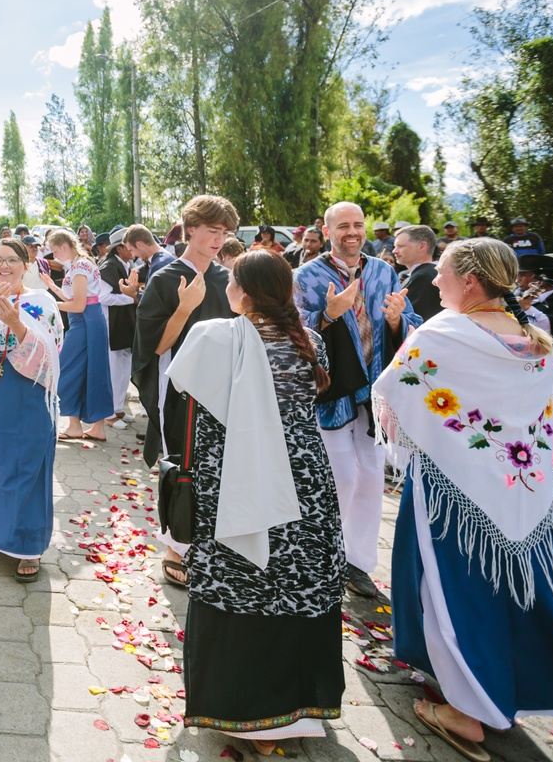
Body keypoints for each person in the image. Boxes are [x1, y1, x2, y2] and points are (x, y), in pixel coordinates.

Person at [372, 238, 553, 759]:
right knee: (503, 596)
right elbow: (526, 417)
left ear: (471, 282)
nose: (434, 281)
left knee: (454, 592)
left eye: (443, 273)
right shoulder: (534, 336)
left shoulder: (445, 332)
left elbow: (395, 389)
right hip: (528, 491)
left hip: (453, 490)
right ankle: (493, 689)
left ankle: (467, 711)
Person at [171, 250, 343, 754]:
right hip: (303, 482)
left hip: (235, 479)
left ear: (242, 291)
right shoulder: (308, 341)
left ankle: (244, 710)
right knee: (297, 577)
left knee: (239, 577)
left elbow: (182, 384)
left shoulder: (216, 337)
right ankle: (296, 709)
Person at [295, 201, 420, 599]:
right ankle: (322, 554)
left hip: (375, 387)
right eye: (343, 226)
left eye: (358, 225)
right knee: (340, 476)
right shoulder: (305, 276)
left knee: (369, 477)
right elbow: (291, 330)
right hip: (331, 391)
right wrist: (327, 316)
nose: (352, 232)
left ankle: (358, 563)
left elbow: (411, 323)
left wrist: (400, 319)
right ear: (327, 231)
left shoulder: (384, 271)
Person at [134, 195, 239, 590]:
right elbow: (154, 348)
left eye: (224, 233)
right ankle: (175, 546)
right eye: (212, 230)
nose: (218, 239)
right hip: (178, 385)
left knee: (217, 461)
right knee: (182, 460)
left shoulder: (228, 279)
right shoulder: (165, 278)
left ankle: (207, 539)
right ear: (190, 228)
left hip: (221, 385)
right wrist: (184, 308)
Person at [0, 238, 64, 582]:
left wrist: (17, 324)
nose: (4, 266)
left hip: (28, 394)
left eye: (11, 261)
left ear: (25, 265)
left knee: (25, 464)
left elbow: (52, 354)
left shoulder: (42, 303)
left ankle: (27, 546)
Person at [47, 228, 113, 443]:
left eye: (55, 251)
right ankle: (93, 427)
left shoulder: (79, 267)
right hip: (88, 321)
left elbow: (77, 304)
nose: (55, 257)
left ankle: (77, 424)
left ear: (65, 246)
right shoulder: (82, 264)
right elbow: (76, 298)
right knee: (92, 370)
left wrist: (49, 303)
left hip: (84, 322)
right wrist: (52, 288)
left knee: (69, 369)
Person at [98, 227, 139, 427]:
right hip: (112, 324)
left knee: (124, 368)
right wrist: (130, 298)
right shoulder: (109, 267)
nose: (133, 250)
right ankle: (109, 413)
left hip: (124, 323)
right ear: (120, 248)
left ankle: (118, 408)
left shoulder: (125, 265)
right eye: (129, 246)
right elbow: (103, 297)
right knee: (115, 369)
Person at [394, 225, 442, 321]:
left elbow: (409, 319)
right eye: (395, 246)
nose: (394, 251)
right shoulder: (433, 273)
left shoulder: (423, 277)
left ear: (422, 246)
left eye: (400, 246)